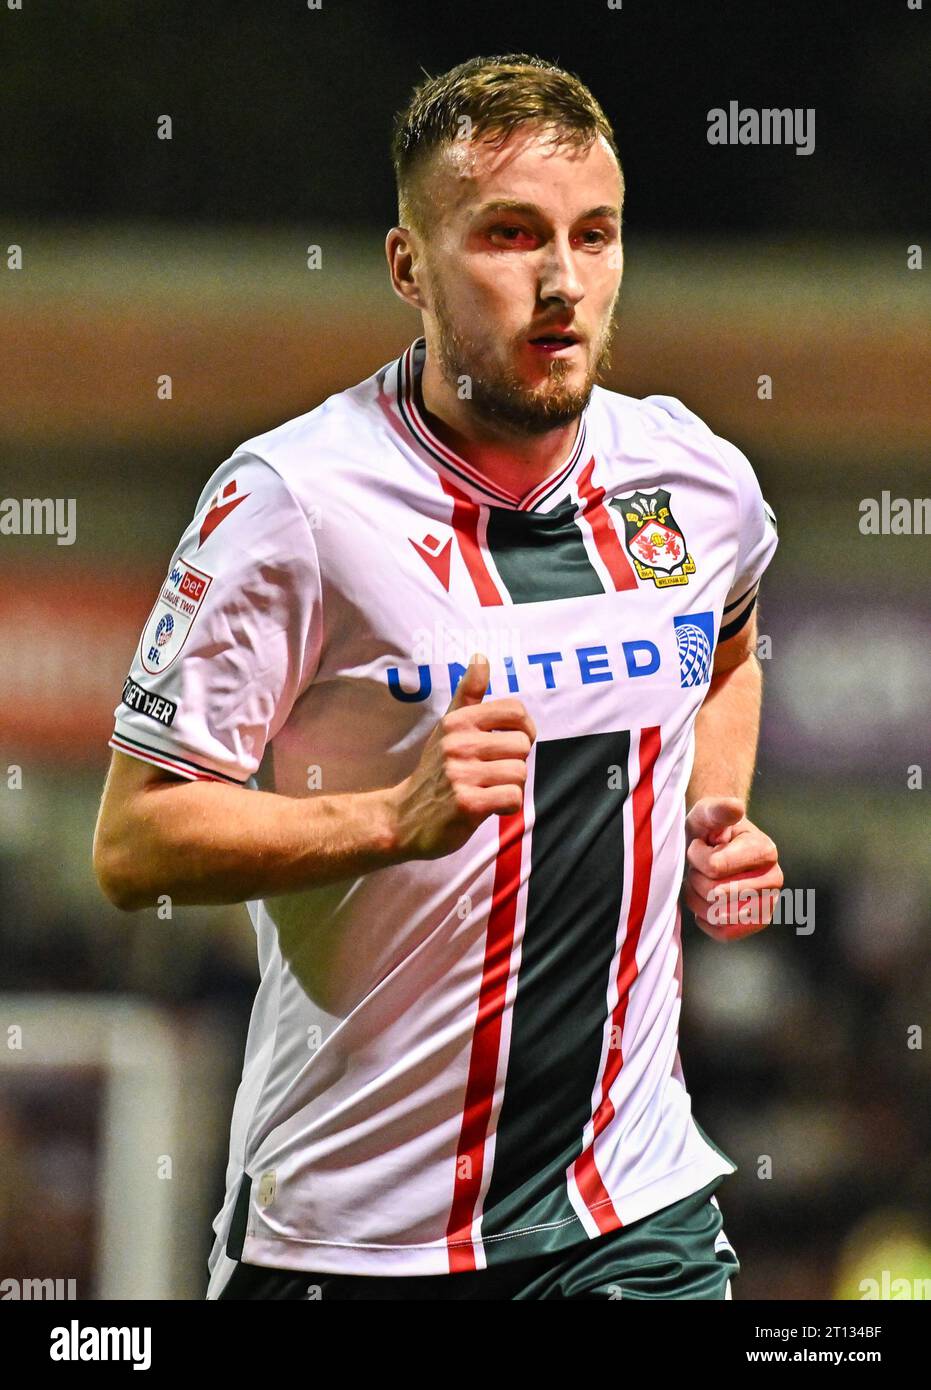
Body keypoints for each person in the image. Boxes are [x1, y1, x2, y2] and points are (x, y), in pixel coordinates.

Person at [93, 53, 783, 1300]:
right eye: (511, 236)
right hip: (356, 1238)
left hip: (632, 1211)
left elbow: (726, 649)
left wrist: (707, 813)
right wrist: (390, 820)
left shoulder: (695, 478)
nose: (564, 281)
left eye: (596, 235)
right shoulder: (289, 502)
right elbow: (134, 843)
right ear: (409, 265)